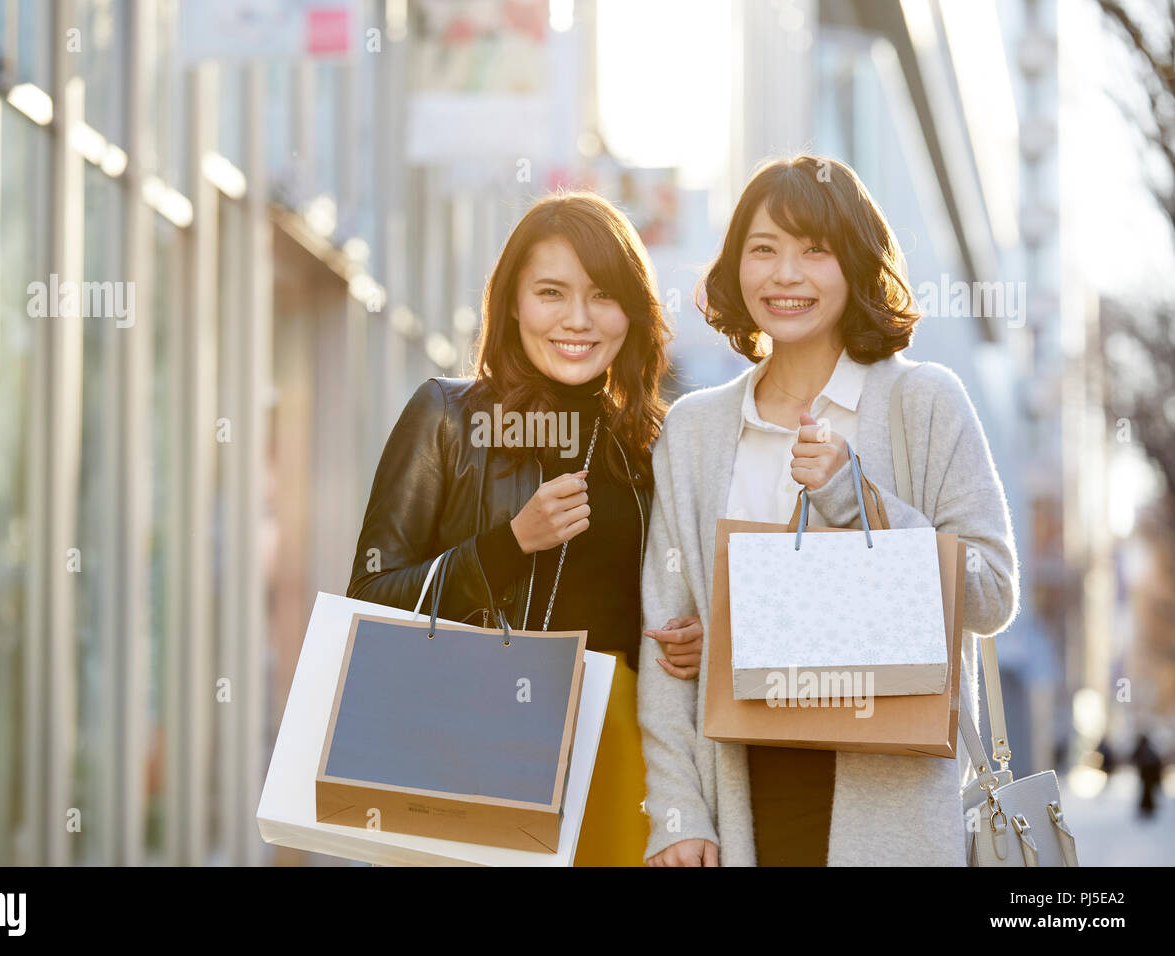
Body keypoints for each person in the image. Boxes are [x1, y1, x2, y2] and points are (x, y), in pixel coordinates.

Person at [638, 155, 1020, 866]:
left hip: (890, 812)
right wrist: (677, 811)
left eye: (814, 250)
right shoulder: (694, 430)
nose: (786, 274)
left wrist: (858, 500)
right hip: (740, 804)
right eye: (763, 250)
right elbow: (664, 639)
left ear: (855, 265)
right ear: (736, 267)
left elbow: (992, 593)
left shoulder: (924, 404)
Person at [348, 191, 704, 865]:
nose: (577, 319)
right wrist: (508, 545)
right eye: (550, 292)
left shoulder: (654, 448)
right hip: (478, 743)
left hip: (617, 750)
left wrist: (694, 641)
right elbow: (368, 599)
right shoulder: (448, 418)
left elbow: (663, 613)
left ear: (632, 310)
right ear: (512, 303)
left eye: (603, 295)